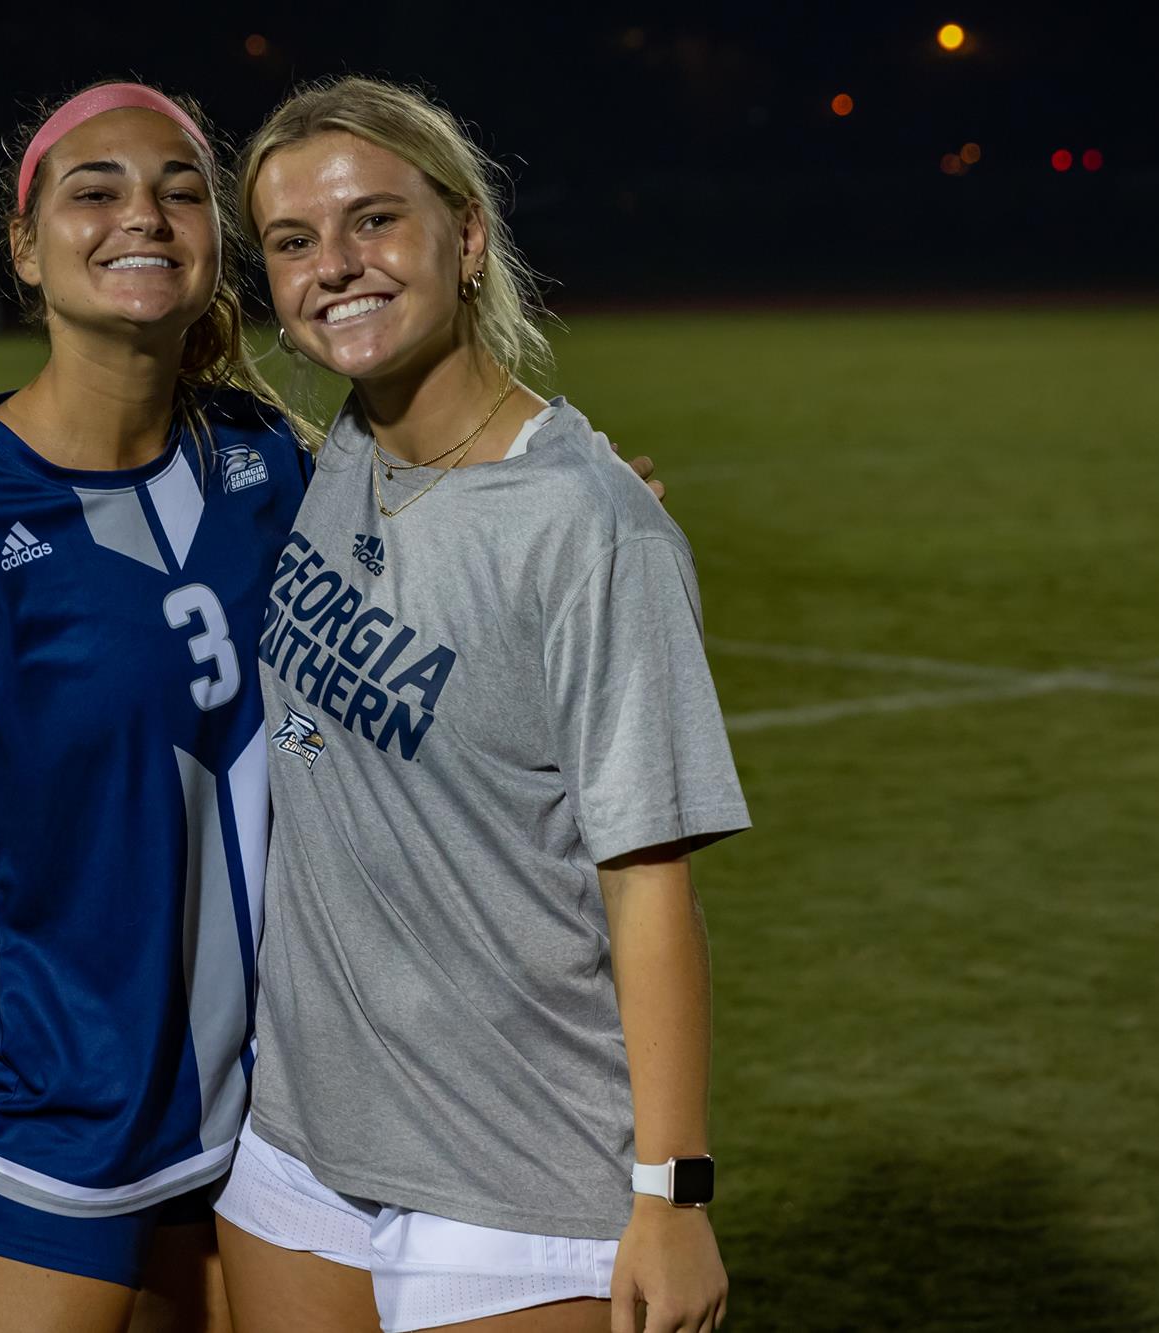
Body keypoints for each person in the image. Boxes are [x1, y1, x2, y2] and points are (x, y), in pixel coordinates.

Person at [213, 77, 748, 1333]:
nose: (333, 266)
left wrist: (671, 1192)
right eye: (292, 243)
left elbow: (648, 880)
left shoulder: (585, 523)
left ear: (465, 237)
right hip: (294, 1147)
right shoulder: (334, 452)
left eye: (372, 222)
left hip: (511, 1173)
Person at [0, 82, 312, 1333]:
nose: (139, 213)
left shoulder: (273, 464)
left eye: (180, 188)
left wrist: (568, 500)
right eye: (91, 190)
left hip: (283, 1111)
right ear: (24, 244)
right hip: (61, 1122)